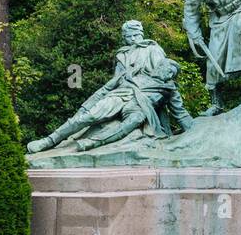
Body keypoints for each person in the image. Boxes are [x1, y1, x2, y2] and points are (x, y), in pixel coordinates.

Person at [27, 20, 193, 153]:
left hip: (142, 104)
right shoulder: (122, 54)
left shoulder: (153, 51)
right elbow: (115, 81)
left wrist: (194, 131)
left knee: (133, 121)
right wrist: (100, 94)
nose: (132, 39)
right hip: (121, 93)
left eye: (134, 35)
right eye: (128, 36)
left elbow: (180, 112)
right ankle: (49, 141)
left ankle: (90, 144)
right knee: (89, 116)